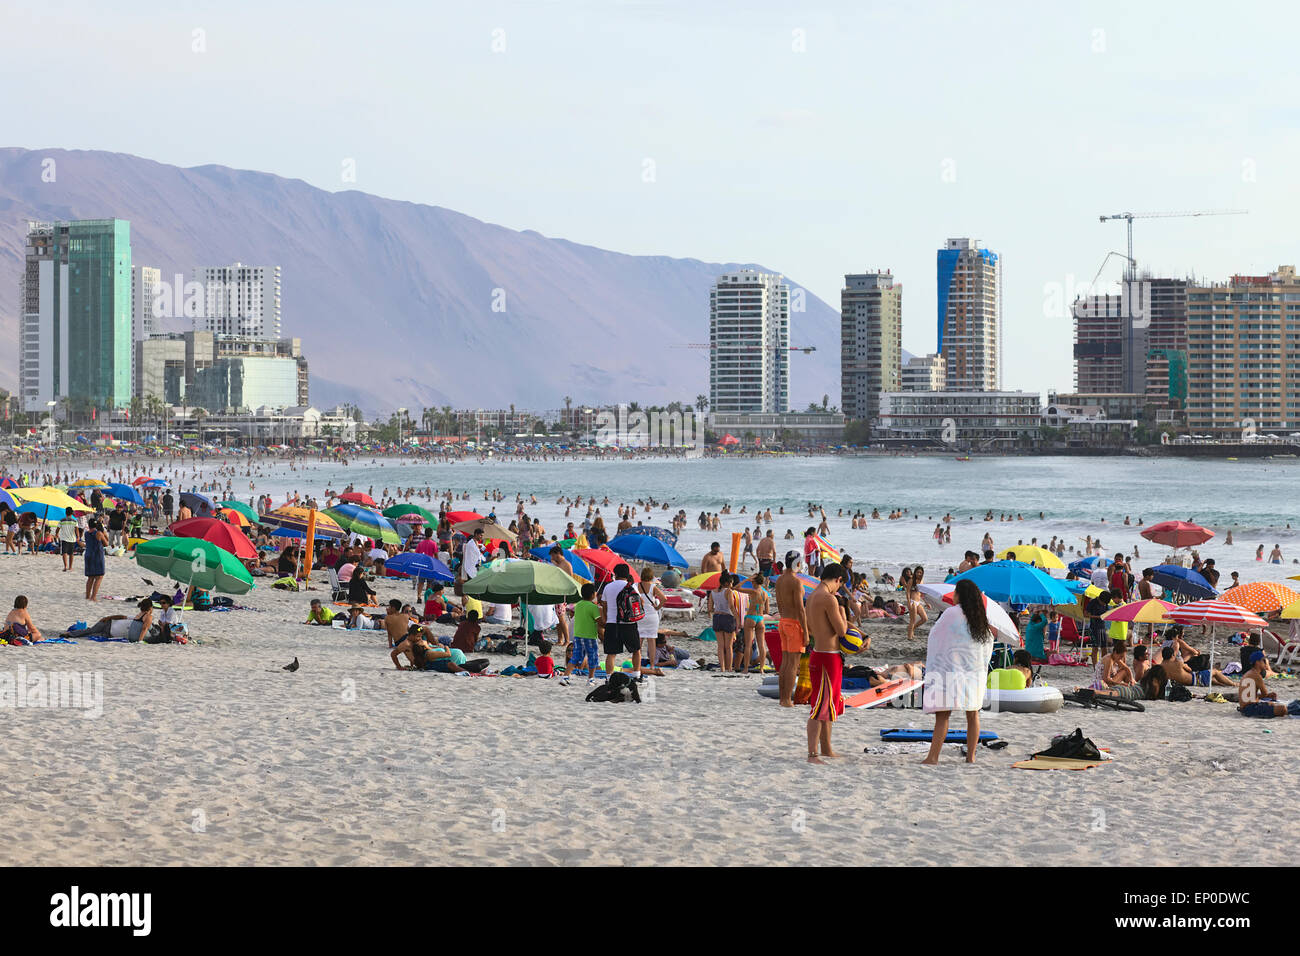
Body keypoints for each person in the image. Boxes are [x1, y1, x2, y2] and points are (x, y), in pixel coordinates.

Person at [922, 579, 992, 765]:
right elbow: (985, 646)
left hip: (950, 671)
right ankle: (971, 757)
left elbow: (936, 638)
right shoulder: (980, 617)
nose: (953, 596)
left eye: (955, 592)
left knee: (943, 714)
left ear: (960, 595)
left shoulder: (951, 613)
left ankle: (933, 757)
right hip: (973, 672)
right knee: (973, 713)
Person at [805, 563, 848, 764]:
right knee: (819, 706)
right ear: (838, 579)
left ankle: (826, 749)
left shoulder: (812, 596)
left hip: (819, 653)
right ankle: (813, 753)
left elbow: (812, 628)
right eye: (840, 584)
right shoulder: (829, 599)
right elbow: (841, 630)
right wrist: (843, 611)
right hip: (827, 657)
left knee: (828, 705)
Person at [772, 553, 808, 707]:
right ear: (797, 563)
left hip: (783, 621)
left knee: (785, 662)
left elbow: (779, 603)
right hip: (794, 624)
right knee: (793, 664)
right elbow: (800, 609)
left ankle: (783, 698)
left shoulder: (779, 579)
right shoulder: (796, 582)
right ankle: (786, 699)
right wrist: (806, 631)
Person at [599, 563, 641, 678]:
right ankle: (637, 675)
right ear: (628, 574)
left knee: (611, 654)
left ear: (615, 574)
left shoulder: (608, 587)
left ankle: (609, 677)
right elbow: (638, 601)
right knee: (636, 650)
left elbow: (604, 604)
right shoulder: (631, 587)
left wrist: (607, 618)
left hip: (612, 623)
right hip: (629, 623)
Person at [64, 599, 153, 641]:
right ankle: (70, 634)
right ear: (150, 608)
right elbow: (121, 616)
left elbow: (121, 616)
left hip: (109, 633)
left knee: (90, 634)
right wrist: (107, 618)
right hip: (108, 624)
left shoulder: (137, 617)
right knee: (90, 631)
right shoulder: (140, 616)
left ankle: (71, 635)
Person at [1238, 650, 1291, 717]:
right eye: (1264, 661)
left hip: (1244, 708)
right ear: (1257, 662)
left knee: (1272, 704)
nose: (1265, 663)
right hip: (1250, 709)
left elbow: (1249, 696)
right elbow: (1265, 694)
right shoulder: (1257, 676)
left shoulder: (1248, 673)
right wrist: (1269, 696)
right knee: (1282, 709)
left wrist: (1264, 698)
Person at [635, 567, 665, 680]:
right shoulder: (653, 586)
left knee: (639, 641)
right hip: (652, 615)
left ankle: (636, 665)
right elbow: (664, 598)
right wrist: (657, 607)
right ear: (651, 576)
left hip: (640, 615)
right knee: (651, 641)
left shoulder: (636, 586)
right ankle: (652, 665)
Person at [570, 583, 602, 682]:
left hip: (578, 635)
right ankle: (591, 678)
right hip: (590, 636)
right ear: (593, 594)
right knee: (592, 657)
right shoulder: (593, 607)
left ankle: (566, 676)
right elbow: (600, 622)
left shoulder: (578, 605)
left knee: (575, 657)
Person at [82, 518, 108, 601]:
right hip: (97, 555)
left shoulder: (86, 533)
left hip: (88, 554)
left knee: (90, 577)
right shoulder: (99, 533)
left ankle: (87, 596)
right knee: (99, 577)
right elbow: (106, 544)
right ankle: (93, 597)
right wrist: (104, 534)